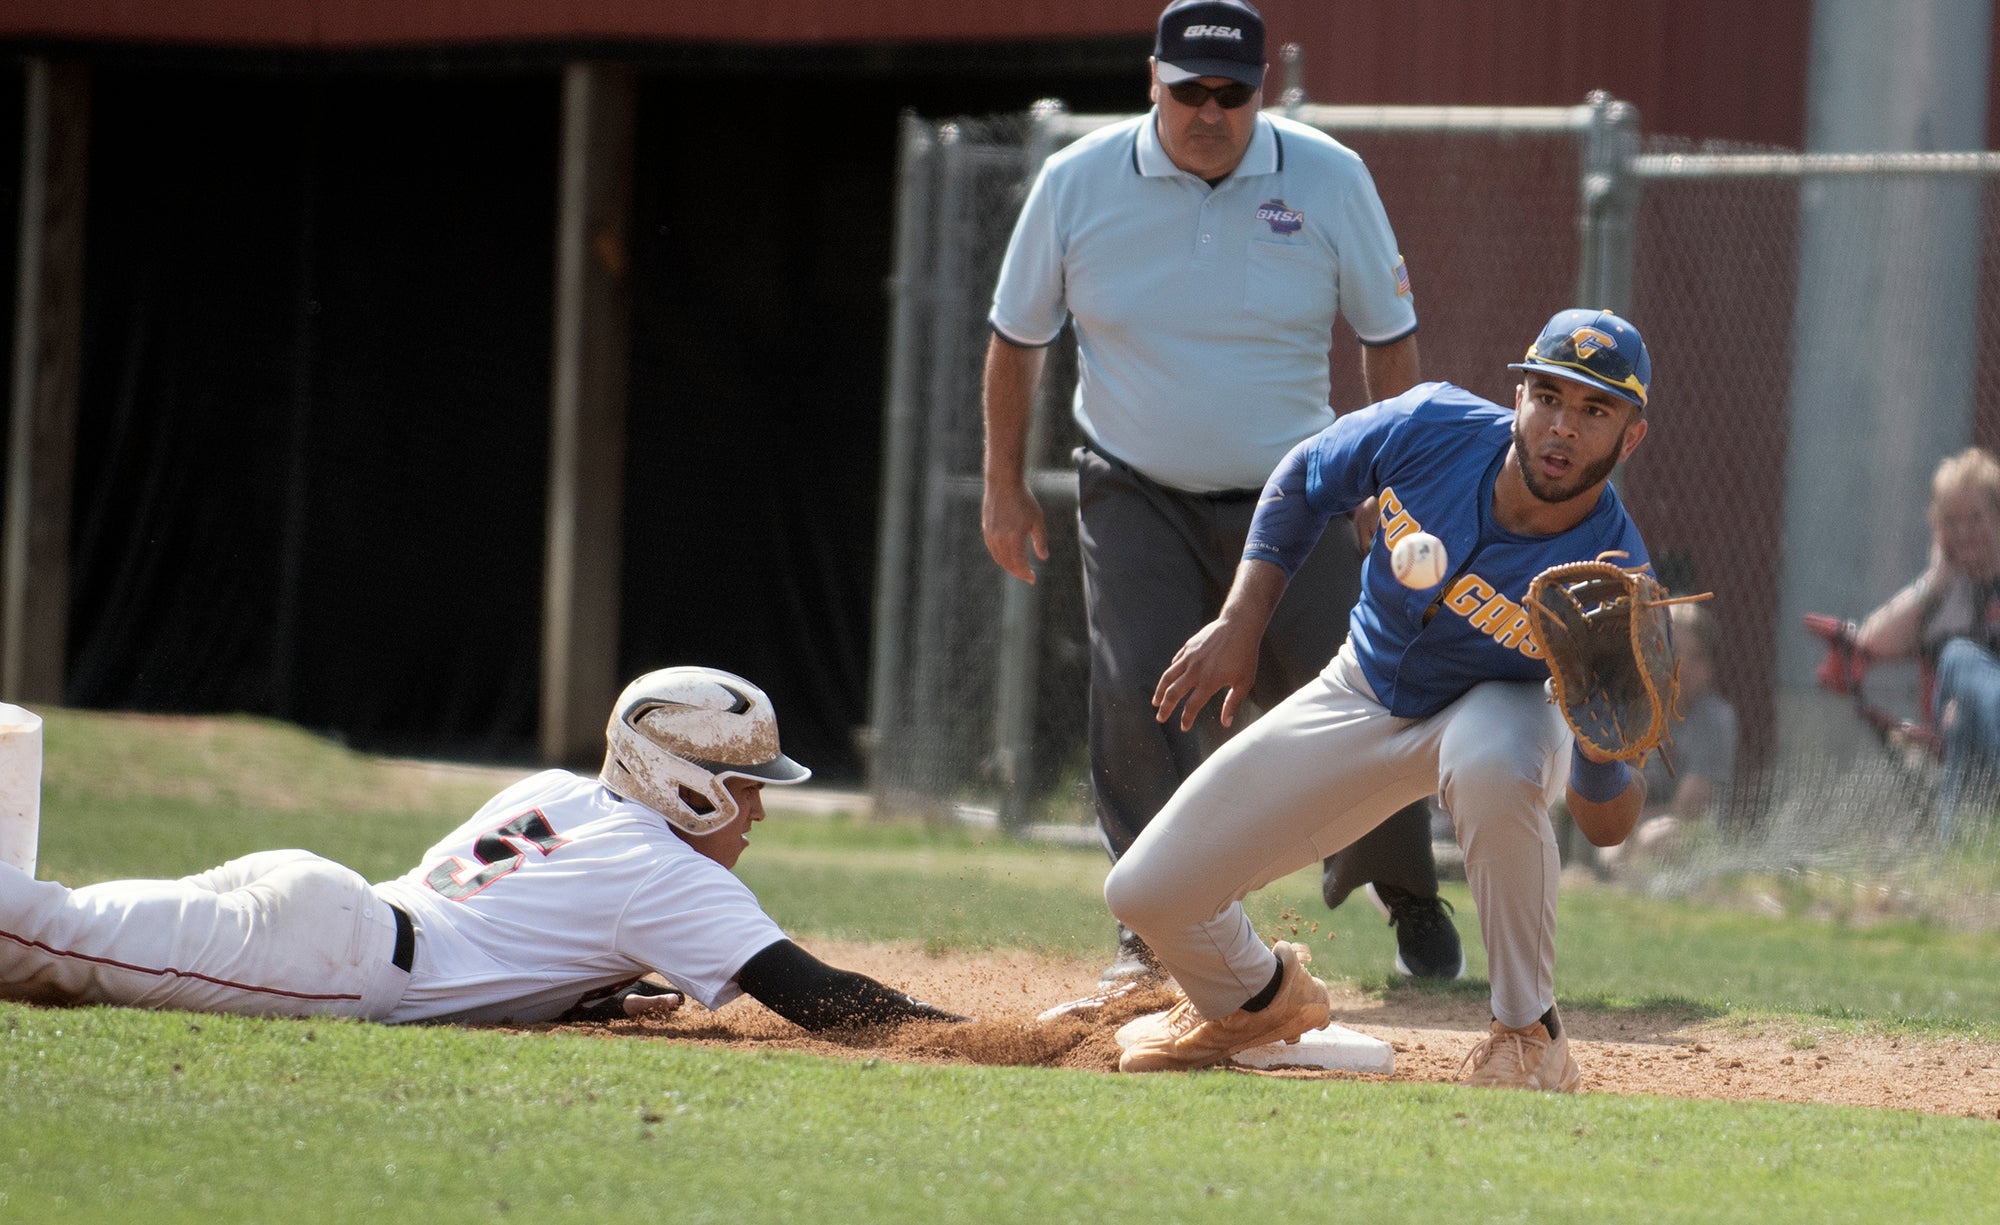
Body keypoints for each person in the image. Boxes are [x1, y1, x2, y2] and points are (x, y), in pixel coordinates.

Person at [981, 0, 1459, 985]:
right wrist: (1001, 484)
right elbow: (1014, 341)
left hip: (1300, 488)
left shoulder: (1330, 178)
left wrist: (1390, 482)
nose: (1208, 111)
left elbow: (1388, 344)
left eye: (1230, 93)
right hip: (1131, 483)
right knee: (1131, 690)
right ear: (1149, 82)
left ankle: (1405, 891)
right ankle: (1150, 925)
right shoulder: (1075, 182)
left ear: (1264, 91)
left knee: (1365, 692)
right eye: (1186, 90)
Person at [1105, 307, 1657, 1089]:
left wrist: (1600, 749)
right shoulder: (1432, 424)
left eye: (1595, 410)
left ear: (1630, 436)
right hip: (1362, 689)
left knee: (1493, 753)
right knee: (1144, 891)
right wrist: (1241, 618)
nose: (1562, 426)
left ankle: (1530, 1033)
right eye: (1548, 395)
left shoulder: (1614, 576)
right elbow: (1304, 479)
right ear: (1521, 396)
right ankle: (1254, 997)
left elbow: (1607, 825)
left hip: (1498, 712)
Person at [0, 667, 963, 1031]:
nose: (759, 811)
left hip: (317, 904)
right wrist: (975, 1035)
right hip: (330, 958)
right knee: (45, 939)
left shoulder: (556, 793)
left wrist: (586, 991)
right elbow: (824, 999)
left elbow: (510, 926)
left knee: (60, 922)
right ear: (689, 781)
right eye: (750, 785)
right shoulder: (667, 874)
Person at [1852, 446, 2000, 826]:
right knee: (1958, 658)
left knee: (1962, 714)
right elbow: (1871, 641)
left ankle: (1954, 849)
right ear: (1937, 529)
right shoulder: (1941, 595)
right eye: (1950, 521)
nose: (1963, 532)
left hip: (1967, 736)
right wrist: (1936, 580)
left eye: (1975, 518)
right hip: (1957, 738)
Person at [1598, 601, 1738, 869]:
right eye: (1673, 652)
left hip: (1691, 834)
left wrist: (1630, 832)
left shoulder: (1715, 719)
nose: (1682, 667)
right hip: (1631, 827)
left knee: (1658, 839)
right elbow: (1611, 792)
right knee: (1607, 845)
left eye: (1696, 656)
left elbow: (1688, 810)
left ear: (1710, 668)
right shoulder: (1632, 712)